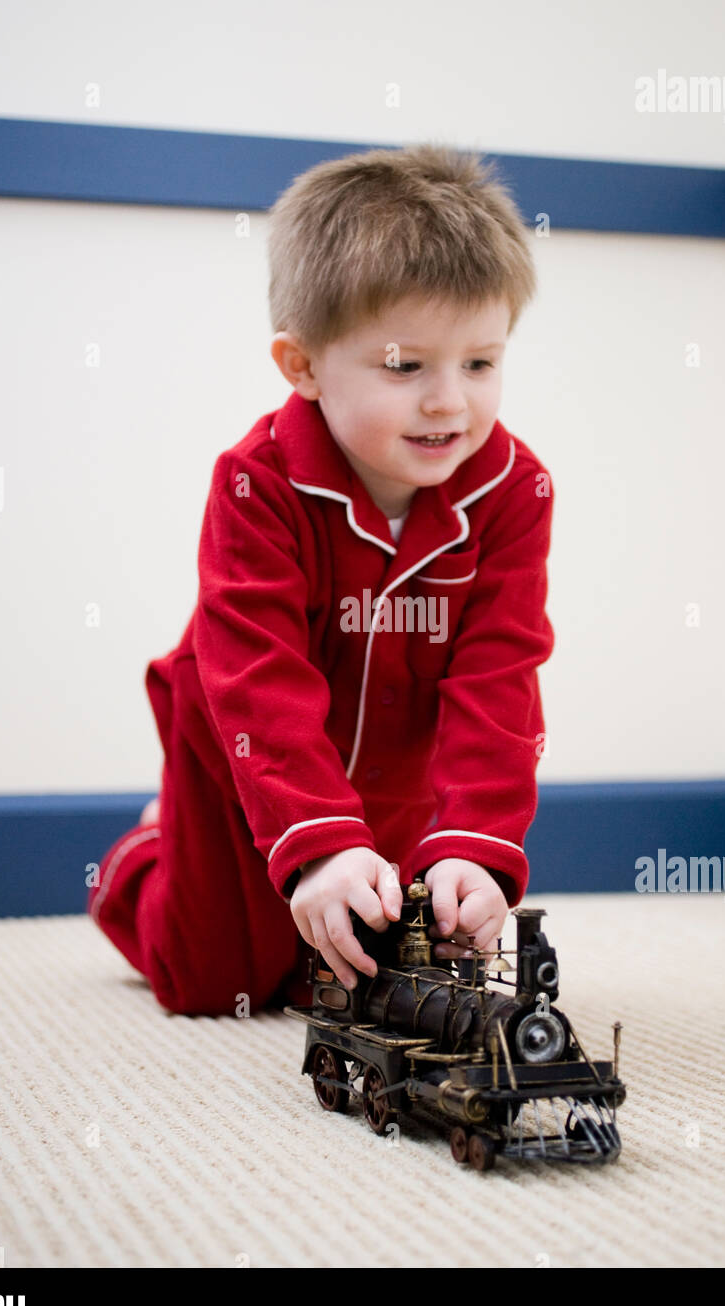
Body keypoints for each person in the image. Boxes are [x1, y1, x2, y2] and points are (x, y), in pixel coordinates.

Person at [88, 142, 555, 1016]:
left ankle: (337, 856)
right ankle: (145, 855)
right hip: (245, 741)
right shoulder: (255, 482)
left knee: (359, 968)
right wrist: (320, 843)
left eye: (480, 363)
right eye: (405, 366)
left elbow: (501, 676)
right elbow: (256, 675)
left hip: (396, 755)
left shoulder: (514, 490)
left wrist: (475, 842)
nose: (450, 400)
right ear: (302, 366)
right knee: (216, 982)